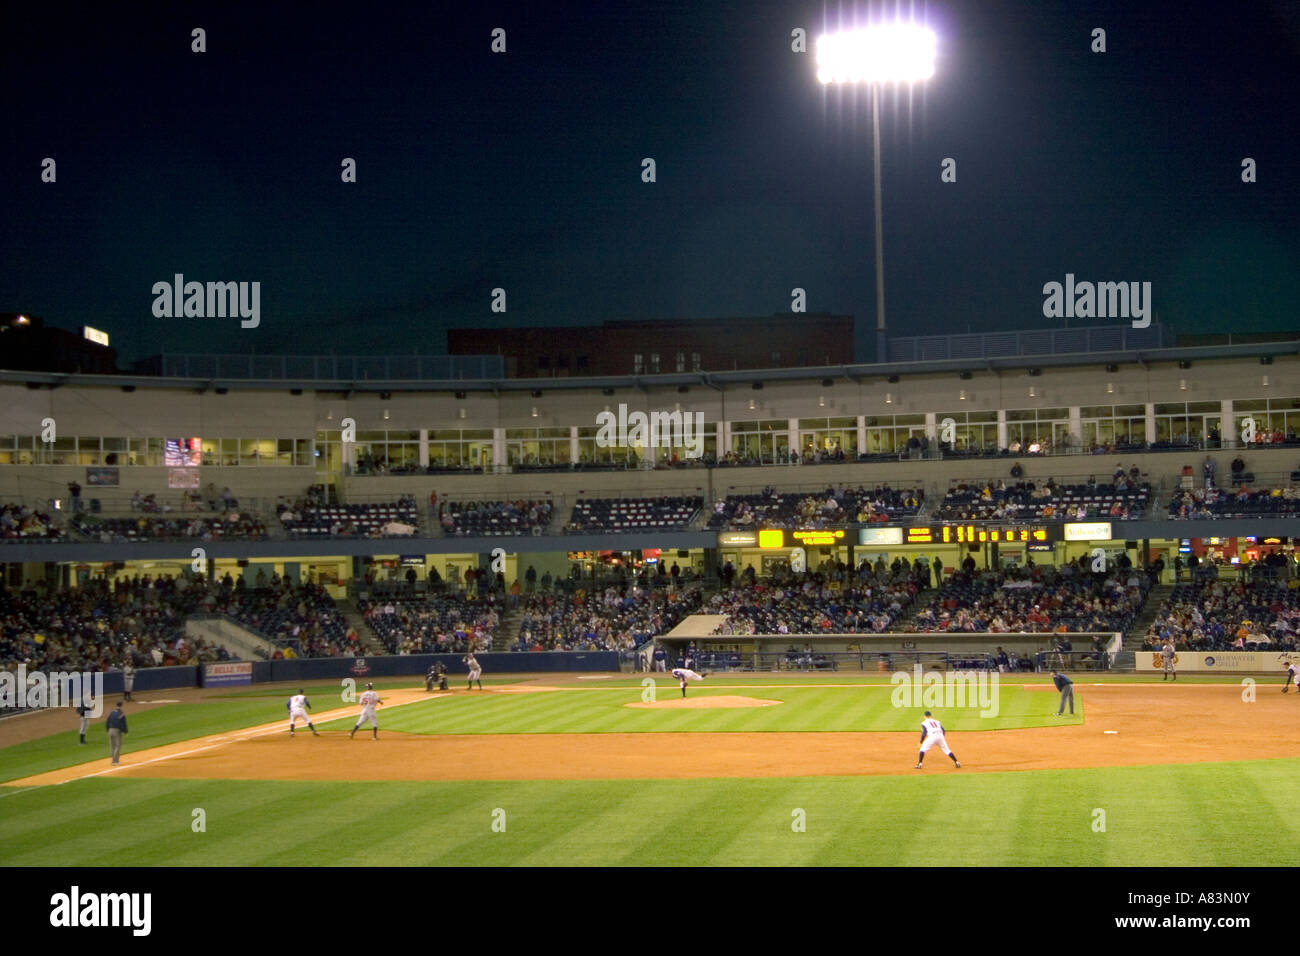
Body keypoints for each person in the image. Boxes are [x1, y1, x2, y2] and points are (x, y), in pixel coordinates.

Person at [105, 701, 128, 766]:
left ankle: (115, 760)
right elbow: (122, 723)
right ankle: (115, 761)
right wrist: (125, 731)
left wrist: (107, 730)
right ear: (121, 706)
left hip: (110, 730)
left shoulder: (111, 713)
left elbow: (107, 721)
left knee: (112, 746)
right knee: (118, 746)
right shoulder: (121, 713)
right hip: (117, 731)